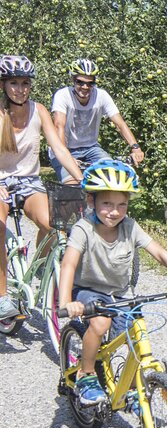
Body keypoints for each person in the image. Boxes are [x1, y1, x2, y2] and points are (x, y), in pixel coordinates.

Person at [58, 158, 167, 405]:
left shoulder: (130, 227)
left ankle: (131, 385)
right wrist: (67, 301)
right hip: (89, 292)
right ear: (91, 201)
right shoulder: (83, 228)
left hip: (122, 293)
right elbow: (68, 264)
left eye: (122, 205)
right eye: (107, 203)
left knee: (137, 333)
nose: (114, 211)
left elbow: (160, 253)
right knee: (100, 324)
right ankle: (86, 373)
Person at [0, 54, 85, 321]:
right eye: (14, 82)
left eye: (25, 83)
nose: (20, 89)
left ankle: (39, 266)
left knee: (54, 224)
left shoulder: (39, 111)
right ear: (3, 85)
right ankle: (2, 298)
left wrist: (81, 178)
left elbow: (59, 149)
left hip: (29, 182)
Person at [49, 58, 145, 182]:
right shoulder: (63, 95)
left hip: (91, 149)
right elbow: (58, 126)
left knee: (112, 177)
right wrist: (65, 155)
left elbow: (119, 123)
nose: (85, 87)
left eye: (90, 83)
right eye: (80, 82)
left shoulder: (101, 96)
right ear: (73, 80)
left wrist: (135, 147)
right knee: (72, 186)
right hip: (65, 149)